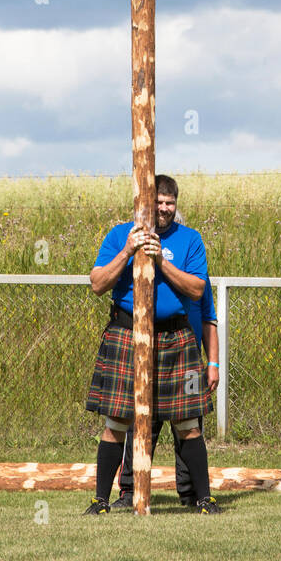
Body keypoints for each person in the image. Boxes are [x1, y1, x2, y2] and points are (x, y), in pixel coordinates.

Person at [83, 174, 219, 515]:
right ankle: (101, 501)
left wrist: (161, 262)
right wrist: (129, 250)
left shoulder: (190, 240)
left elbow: (198, 290)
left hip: (176, 338)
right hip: (126, 335)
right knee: (116, 420)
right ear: (145, 202)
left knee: (188, 421)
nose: (164, 208)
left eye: (170, 203)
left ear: (176, 205)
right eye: (158, 201)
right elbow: (97, 283)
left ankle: (203, 500)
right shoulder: (118, 235)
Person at [112, 215, 220, 509]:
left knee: (188, 425)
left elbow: (209, 318)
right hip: (154, 351)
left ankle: (192, 493)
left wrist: (214, 363)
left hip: (187, 357)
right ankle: (129, 490)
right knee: (141, 422)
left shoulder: (193, 275)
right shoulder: (150, 269)